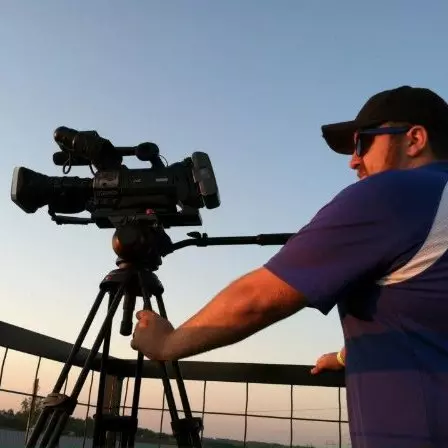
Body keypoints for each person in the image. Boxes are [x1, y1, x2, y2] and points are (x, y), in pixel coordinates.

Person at [131, 85, 448, 448]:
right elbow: (428, 308)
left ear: (414, 139)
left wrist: (168, 343)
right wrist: (348, 354)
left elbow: (258, 298)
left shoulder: (395, 193)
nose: (353, 161)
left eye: (363, 143)